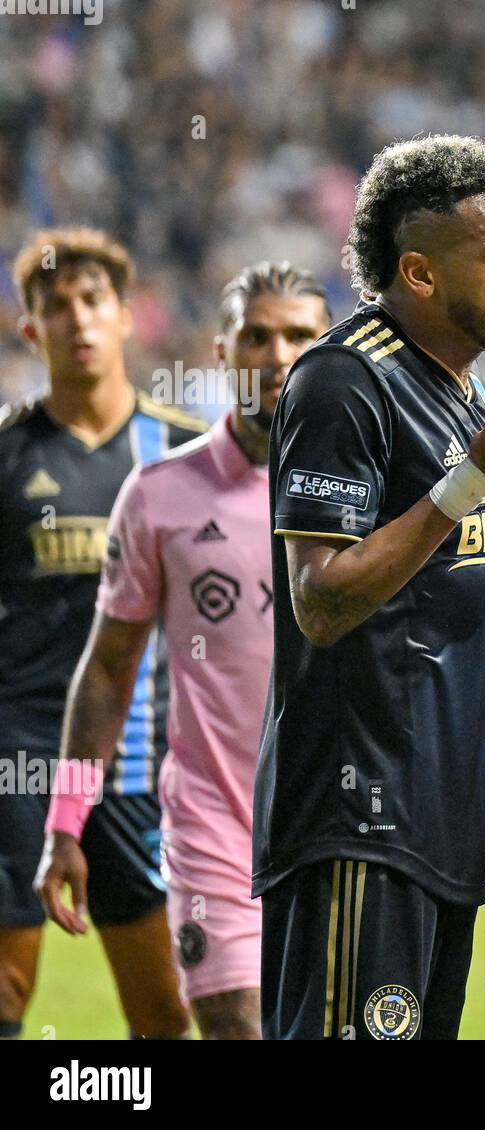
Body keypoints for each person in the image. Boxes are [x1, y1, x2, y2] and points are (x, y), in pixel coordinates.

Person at [254, 135, 485, 1040]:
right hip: (357, 821)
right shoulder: (345, 379)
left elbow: (429, 575)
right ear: (416, 271)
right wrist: (463, 489)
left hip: (437, 824)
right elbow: (321, 601)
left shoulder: (456, 390)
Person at [37, 263, 331, 1039]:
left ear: (330, 349)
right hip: (211, 829)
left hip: (339, 825)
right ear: (221, 351)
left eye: (300, 336)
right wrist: (67, 819)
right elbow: (107, 669)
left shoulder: (369, 490)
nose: (277, 356)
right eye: (257, 337)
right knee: (236, 1029)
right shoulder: (161, 493)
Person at [0, 228, 205, 1040]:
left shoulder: (188, 455)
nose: (78, 321)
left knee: (164, 1015)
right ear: (31, 330)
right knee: (7, 993)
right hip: (17, 755)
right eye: (57, 307)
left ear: (127, 317)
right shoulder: (8, 457)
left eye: (94, 303)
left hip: (139, 762)